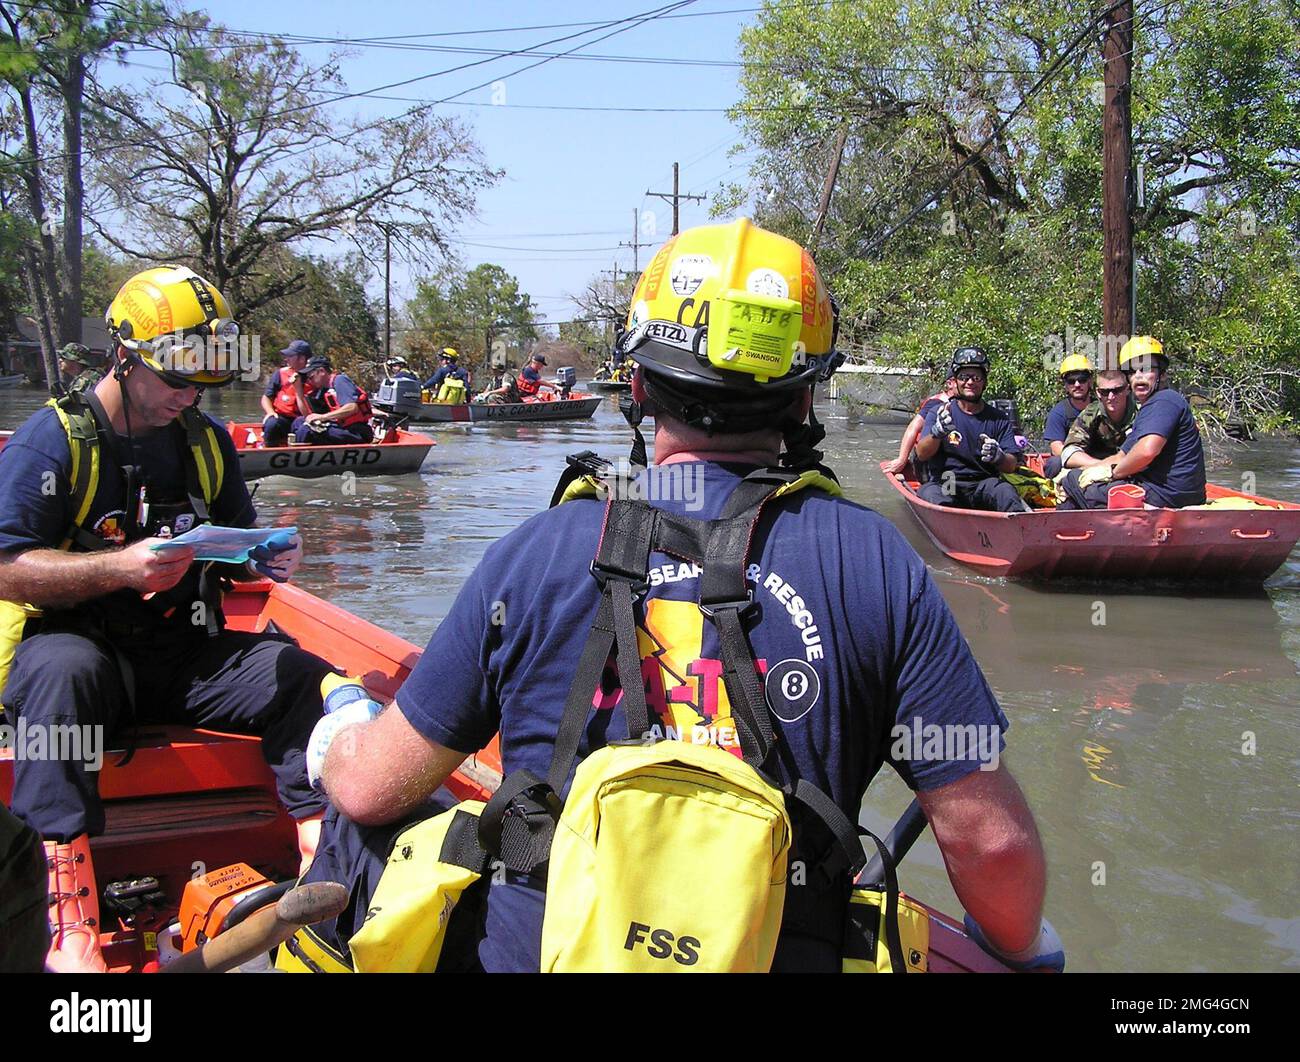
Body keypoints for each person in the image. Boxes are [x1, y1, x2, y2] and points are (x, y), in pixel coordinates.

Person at [312, 220, 1059, 974]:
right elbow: (988, 842)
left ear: (636, 386)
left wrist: (342, 726)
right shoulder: (879, 564)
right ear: (804, 404)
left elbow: (372, 789)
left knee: (355, 832)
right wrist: (1023, 945)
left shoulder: (534, 554)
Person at [0, 265, 331, 972]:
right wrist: (118, 568)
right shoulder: (53, 440)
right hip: (79, 650)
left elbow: (239, 547)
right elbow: (5, 568)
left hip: (181, 654)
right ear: (123, 354)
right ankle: (69, 919)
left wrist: (262, 559)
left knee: (302, 675)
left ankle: (322, 862)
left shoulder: (204, 444)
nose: (188, 397)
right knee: (60, 678)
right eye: (175, 379)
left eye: (203, 384)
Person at [1059, 336, 1206, 510]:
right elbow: (1122, 456)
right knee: (1073, 477)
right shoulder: (1148, 409)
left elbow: (1146, 451)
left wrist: (1112, 473)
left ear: (1163, 374)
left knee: (1071, 481)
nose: (1138, 376)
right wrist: (1091, 470)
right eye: (1132, 371)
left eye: (1145, 369)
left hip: (1163, 496)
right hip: (1162, 492)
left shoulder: (1165, 401)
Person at [912, 348, 1028, 512]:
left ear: (984, 382)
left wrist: (999, 456)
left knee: (1005, 492)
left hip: (983, 482)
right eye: (964, 377)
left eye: (976, 377)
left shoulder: (998, 418)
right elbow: (922, 454)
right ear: (955, 382)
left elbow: (1010, 466)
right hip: (948, 481)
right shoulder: (940, 412)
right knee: (934, 495)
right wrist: (936, 434)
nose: (970, 382)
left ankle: (1015, 533)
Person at [1056, 368, 1135, 471]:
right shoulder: (1090, 414)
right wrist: (1102, 465)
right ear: (1098, 392)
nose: (1111, 397)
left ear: (1127, 389)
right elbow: (1068, 453)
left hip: (1134, 466)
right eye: (1105, 392)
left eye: (1117, 391)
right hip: (1097, 466)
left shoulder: (1142, 412)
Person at [883, 374, 957, 476]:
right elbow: (913, 428)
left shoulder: (969, 405)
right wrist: (902, 459)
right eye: (962, 378)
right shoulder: (936, 403)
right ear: (950, 384)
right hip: (926, 459)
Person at [294, 355, 374, 444]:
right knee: (299, 422)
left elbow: (352, 407)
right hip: (341, 428)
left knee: (307, 430)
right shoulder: (324, 390)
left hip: (356, 431)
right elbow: (308, 416)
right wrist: (298, 391)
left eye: (311, 377)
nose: (309, 381)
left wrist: (323, 417)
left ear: (321, 371)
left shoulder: (340, 381)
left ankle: (299, 455)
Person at [1042, 355, 1095, 478]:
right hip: (1071, 461)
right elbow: (1056, 448)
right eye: (1071, 381)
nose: (1077, 384)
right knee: (1054, 463)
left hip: (1097, 457)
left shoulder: (1101, 408)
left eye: (1082, 379)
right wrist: (1083, 461)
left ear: (1090, 382)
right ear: (1066, 385)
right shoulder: (1059, 413)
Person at [260, 339, 312, 447]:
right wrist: (270, 412)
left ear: (302, 359)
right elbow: (266, 397)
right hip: (283, 418)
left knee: (304, 429)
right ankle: (268, 449)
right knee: (272, 424)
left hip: (302, 418)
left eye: (290, 356)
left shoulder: (314, 376)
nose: (286, 359)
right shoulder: (280, 373)